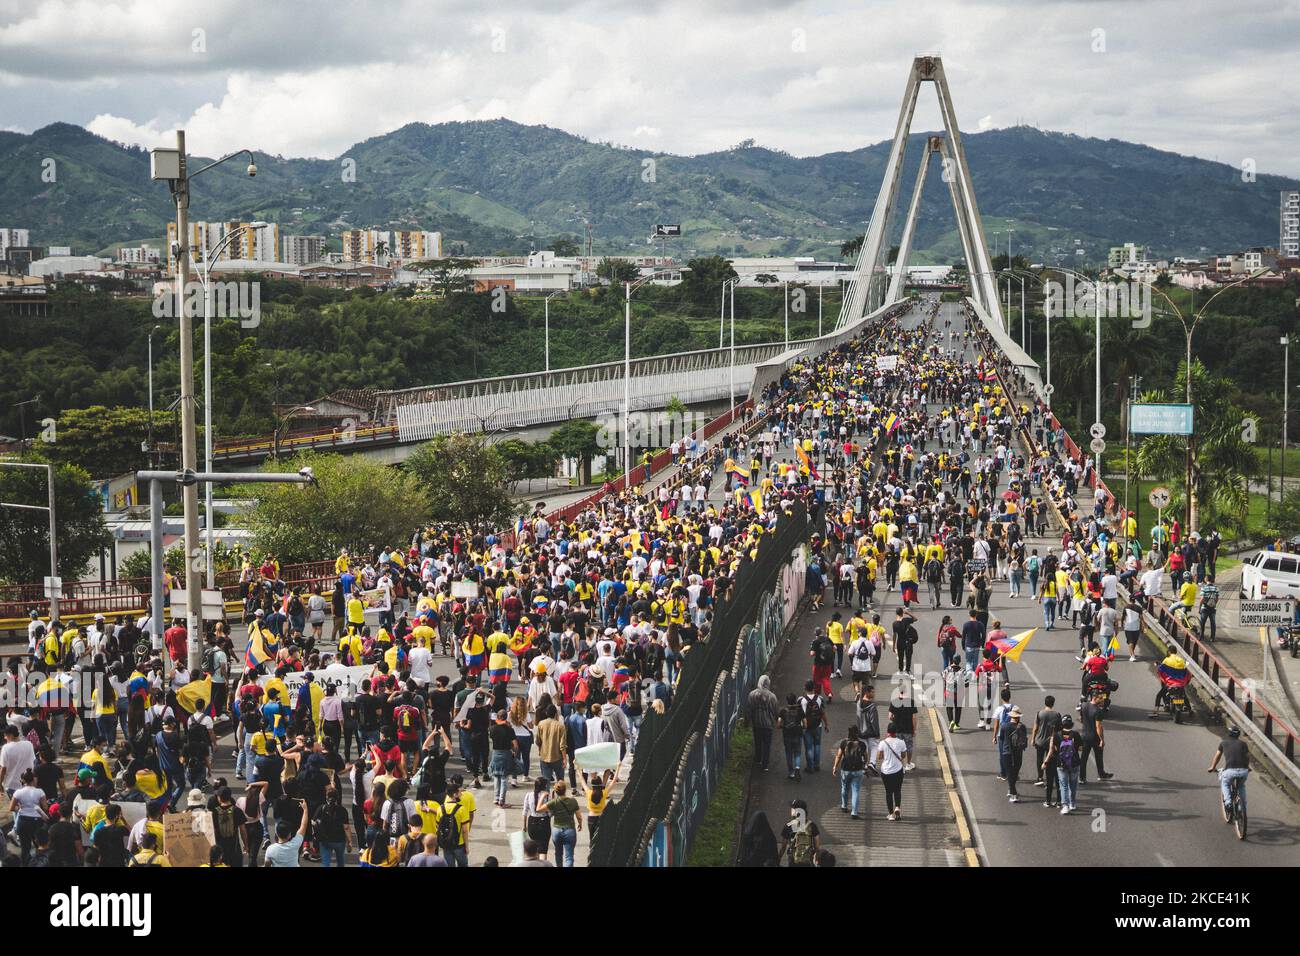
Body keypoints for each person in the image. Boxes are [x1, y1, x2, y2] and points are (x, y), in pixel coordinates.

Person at [1207, 726, 1250, 820]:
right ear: (1238, 734)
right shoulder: (1243, 744)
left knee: (1225, 783)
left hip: (1230, 771)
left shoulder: (1223, 743)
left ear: (1229, 733)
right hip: (1244, 771)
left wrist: (1213, 767)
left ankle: (1228, 803)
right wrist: (1247, 767)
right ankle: (1241, 808)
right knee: (1241, 786)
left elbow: (1217, 756)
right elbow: (1247, 757)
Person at [1044, 715, 1080, 813]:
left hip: (1061, 763)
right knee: (1073, 784)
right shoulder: (1076, 734)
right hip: (1074, 763)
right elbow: (1080, 748)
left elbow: (1053, 749)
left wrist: (1046, 762)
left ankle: (1065, 806)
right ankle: (1072, 803)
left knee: (1063, 785)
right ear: (1071, 725)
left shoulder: (1057, 735)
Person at [832, 725, 868, 819]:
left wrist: (835, 766)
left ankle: (844, 806)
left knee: (845, 787)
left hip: (845, 769)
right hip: (858, 770)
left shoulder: (844, 743)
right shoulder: (862, 744)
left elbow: (839, 755)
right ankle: (854, 812)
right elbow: (866, 756)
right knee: (855, 791)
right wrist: (864, 764)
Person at [875, 723, 910, 821]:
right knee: (897, 790)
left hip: (886, 771)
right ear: (896, 732)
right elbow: (903, 756)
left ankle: (891, 814)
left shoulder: (883, 743)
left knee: (888, 792)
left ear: (888, 732)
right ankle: (897, 807)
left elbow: (879, 757)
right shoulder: (901, 742)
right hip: (898, 770)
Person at [264, 797, 310, 867]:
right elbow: (303, 825)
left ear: (276, 834)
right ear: (289, 835)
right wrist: (305, 810)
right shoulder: (295, 844)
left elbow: (267, 865)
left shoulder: (270, 849)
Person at [546, 779, 582, 867]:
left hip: (556, 830)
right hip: (569, 830)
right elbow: (579, 816)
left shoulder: (554, 802)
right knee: (569, 857)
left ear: (556, 791)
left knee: (558, 854)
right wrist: (580, 824)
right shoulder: (573, 801)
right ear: (565, 790)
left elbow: (539, 809)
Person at [747, 674, 779, 772]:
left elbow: (749, 710)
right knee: (767, 744)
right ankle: (765, 765)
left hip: (756, 723)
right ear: (768, 683)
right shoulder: (772, 697)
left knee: (758, 742)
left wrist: (747, 721)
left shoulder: (752, 694)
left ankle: (758, 759)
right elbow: (775, 711)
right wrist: (777, 720)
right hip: (768, 724)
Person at [777, 799, 821, 867]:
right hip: (808, 860)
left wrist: (778, 859)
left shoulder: (788, 826)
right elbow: (817, 847)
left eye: (792, 808)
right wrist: (816, 861)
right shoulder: (812, 826)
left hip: (793, 861)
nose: (791, 810)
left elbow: (783, 847)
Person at [998, 705, 1028, 803]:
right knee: (1015, 773)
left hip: (1007, 752)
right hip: (1018, 752)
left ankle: (1013, 794)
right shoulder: (1022, 727)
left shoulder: (1005, 726)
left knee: (1009, 773)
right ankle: (1011, 790)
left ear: (1011, 716)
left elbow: (1001, 738)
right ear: (1019, 716)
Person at [778, 694, 805, 781]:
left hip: (787, 735)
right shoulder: (799, 710)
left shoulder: (783, 710)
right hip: (797, 734)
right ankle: (797, 767)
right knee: (797, 753)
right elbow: (805, 723)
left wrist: (782, 727)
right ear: (795, 700)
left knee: (788, 753)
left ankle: (791, 773)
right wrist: (802, 727)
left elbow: (778, 723)